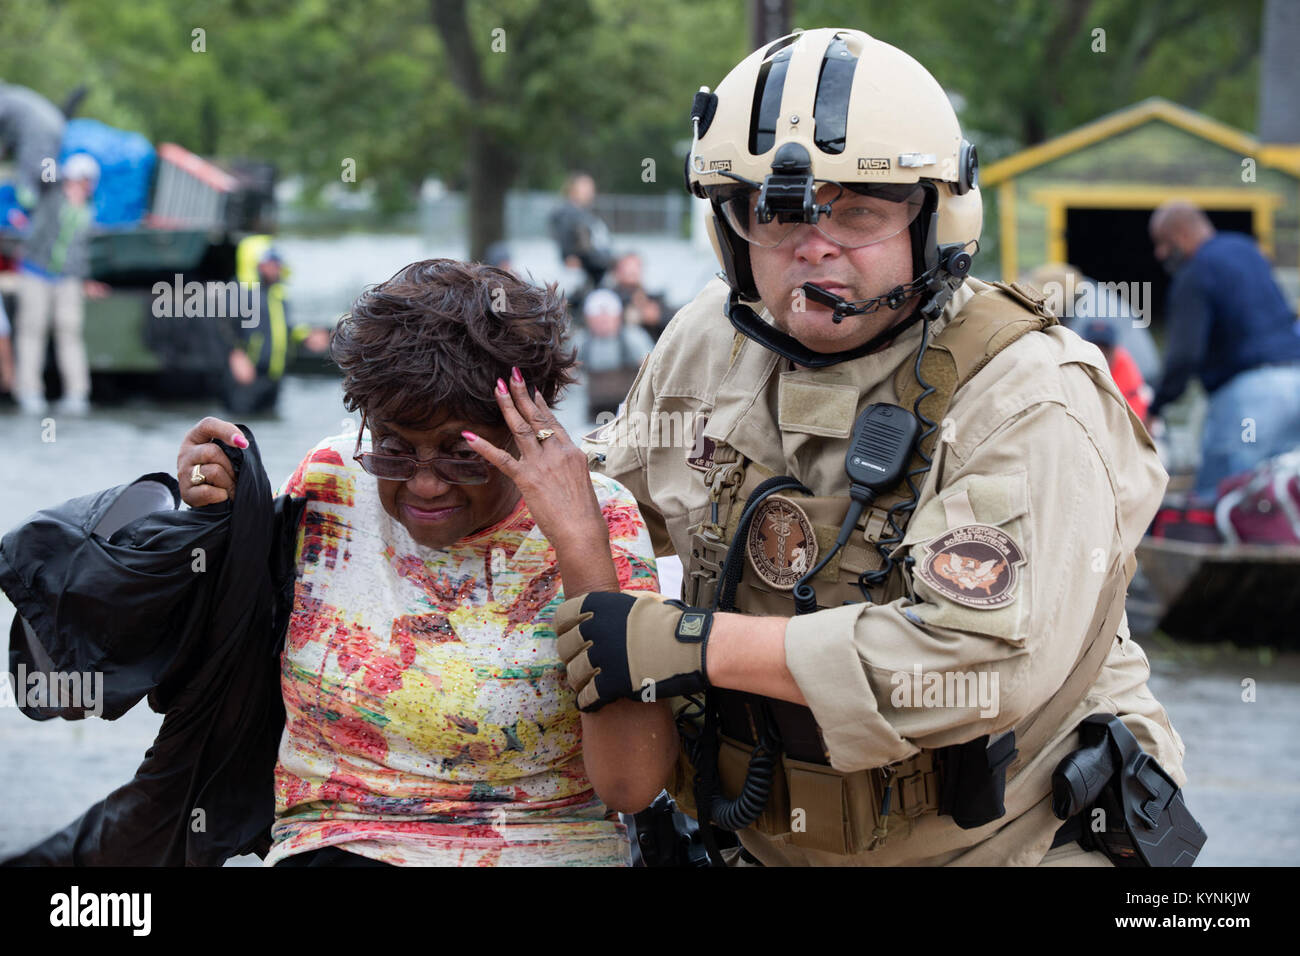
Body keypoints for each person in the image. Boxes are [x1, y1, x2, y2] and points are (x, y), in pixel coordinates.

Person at [557, 28, 1191, 867]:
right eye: (776, 214)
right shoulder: (709, 341)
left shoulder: (1029, 393)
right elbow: (607, 499)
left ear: (933, 218)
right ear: (732, 230)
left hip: (1013, 843)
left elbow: (974, 666)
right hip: (768, 838)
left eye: (857, 208)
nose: (813, 244)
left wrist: (693, 645)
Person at [175, 259, 668, 865]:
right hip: (340, 837)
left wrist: (579, 548)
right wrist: (212, 516)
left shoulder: (603, 519)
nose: (427, 484)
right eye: (396, 451)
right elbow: (210, 646)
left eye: (464, 457)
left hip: (542, 845)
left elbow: (632, 786)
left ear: (526, 428)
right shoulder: (331, 482)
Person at [1147, 201, 1300, 503]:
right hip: (1295, 380)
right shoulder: (1247, 250)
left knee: (1225, 496)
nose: (1160, 254)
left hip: (1251, 397)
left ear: (1180, 235)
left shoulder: (1196, 272)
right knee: (1283, 496)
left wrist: (1157, 406)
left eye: (1162, 244)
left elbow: (1184, 356)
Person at [11, 152, 108, 415]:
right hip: (36, 272)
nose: (84, 186)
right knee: (32, 330)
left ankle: (76, 393)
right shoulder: (51, 197)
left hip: (68, 278)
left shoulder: (88, 210)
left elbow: (85, 250)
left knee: (69, 332)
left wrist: (87, 279)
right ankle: (29, 391)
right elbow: (30, 188)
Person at [222, 238, 329, 415]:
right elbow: (223, 328)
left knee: (269, 423)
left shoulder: (278, 295)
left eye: (277, 262)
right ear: (255, 264)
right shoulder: (237, 293)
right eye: (269, 262)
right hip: (247, 377)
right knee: (240, 428)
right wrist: (236, 354)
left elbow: (283, 329)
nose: (275, 267)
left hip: (274, 376)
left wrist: (306, 336)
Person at [574, 287, 655, 421]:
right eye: (597, 316)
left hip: (630, 410)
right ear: (587, 318)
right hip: (593, 411)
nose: (603, 320)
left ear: (618, 316)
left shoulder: (634, 337)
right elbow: (565, 377)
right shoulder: (580, 342)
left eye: (608, 315)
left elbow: (652, 371)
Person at [549, 172, 614, 292]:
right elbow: (577, 249)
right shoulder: (566, 214)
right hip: (578, 275)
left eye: (591, 187)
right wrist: (569, 255)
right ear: (572, 188)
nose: (590, 191)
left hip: (594, 273)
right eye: (585, 186)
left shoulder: (588, 214)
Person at [1081, 318, 1150, 423]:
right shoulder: (1076, 367)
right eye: (1095, 347)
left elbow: (1136, 413)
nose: (1100, 353)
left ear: (1114, 349)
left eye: (1105, 348)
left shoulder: (1124, 367)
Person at [610, 252, 675, 342]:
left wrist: (658, 317)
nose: (633, 270)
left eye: (636, 267)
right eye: (628, 267)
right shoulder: (609, 298)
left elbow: (673, 321)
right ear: (616, 271)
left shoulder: (653, 299)